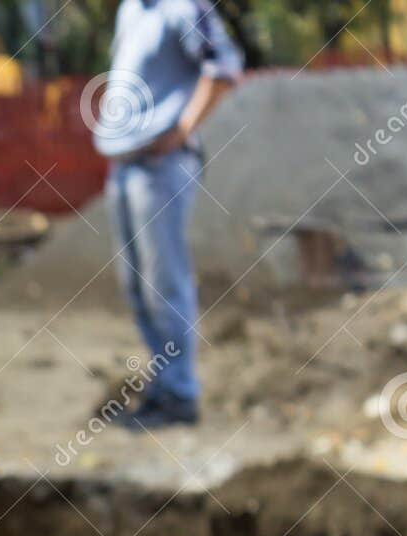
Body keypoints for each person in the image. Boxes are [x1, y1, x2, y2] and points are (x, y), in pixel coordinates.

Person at [92, 0, 243, 430]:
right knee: (138, 288)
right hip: (124, 165)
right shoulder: (132, 10)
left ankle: (179, 396)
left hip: (160, 168)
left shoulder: (183, 6)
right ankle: (163, 388)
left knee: (164, 285)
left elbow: (224, 67)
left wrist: (181, 130)